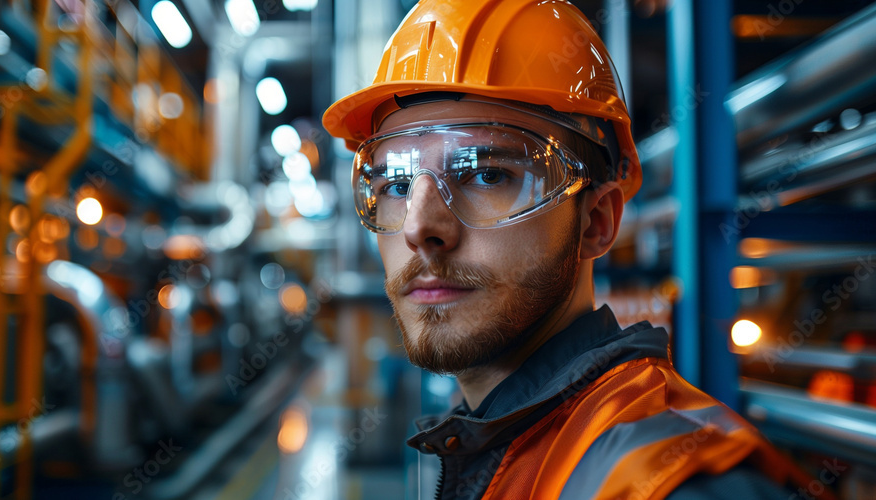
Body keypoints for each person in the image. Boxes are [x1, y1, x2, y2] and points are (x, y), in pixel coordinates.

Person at [322, 1, 832, 499]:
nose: (419, 227)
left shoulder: (674, 482)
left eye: (487, 174)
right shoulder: (501, 446)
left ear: (596, 221)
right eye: (393, 183)